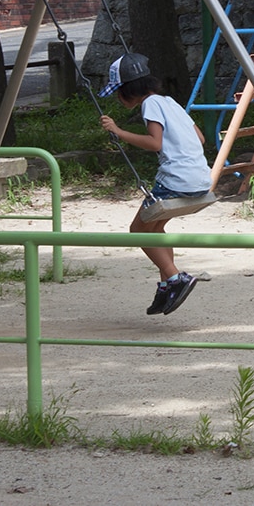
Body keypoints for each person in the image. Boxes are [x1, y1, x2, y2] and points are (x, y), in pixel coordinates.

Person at [99, 52, 212, 316]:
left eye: (118, 92)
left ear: (129, 90)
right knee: (156, 227)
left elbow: (155, 143)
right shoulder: (170, 102)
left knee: (138, 230)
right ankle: (166, 285)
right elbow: (201, 138)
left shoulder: (149, 105)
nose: (117, 98)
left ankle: (176, 278)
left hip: (176, 181)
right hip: (201, 179)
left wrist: (118, 131)